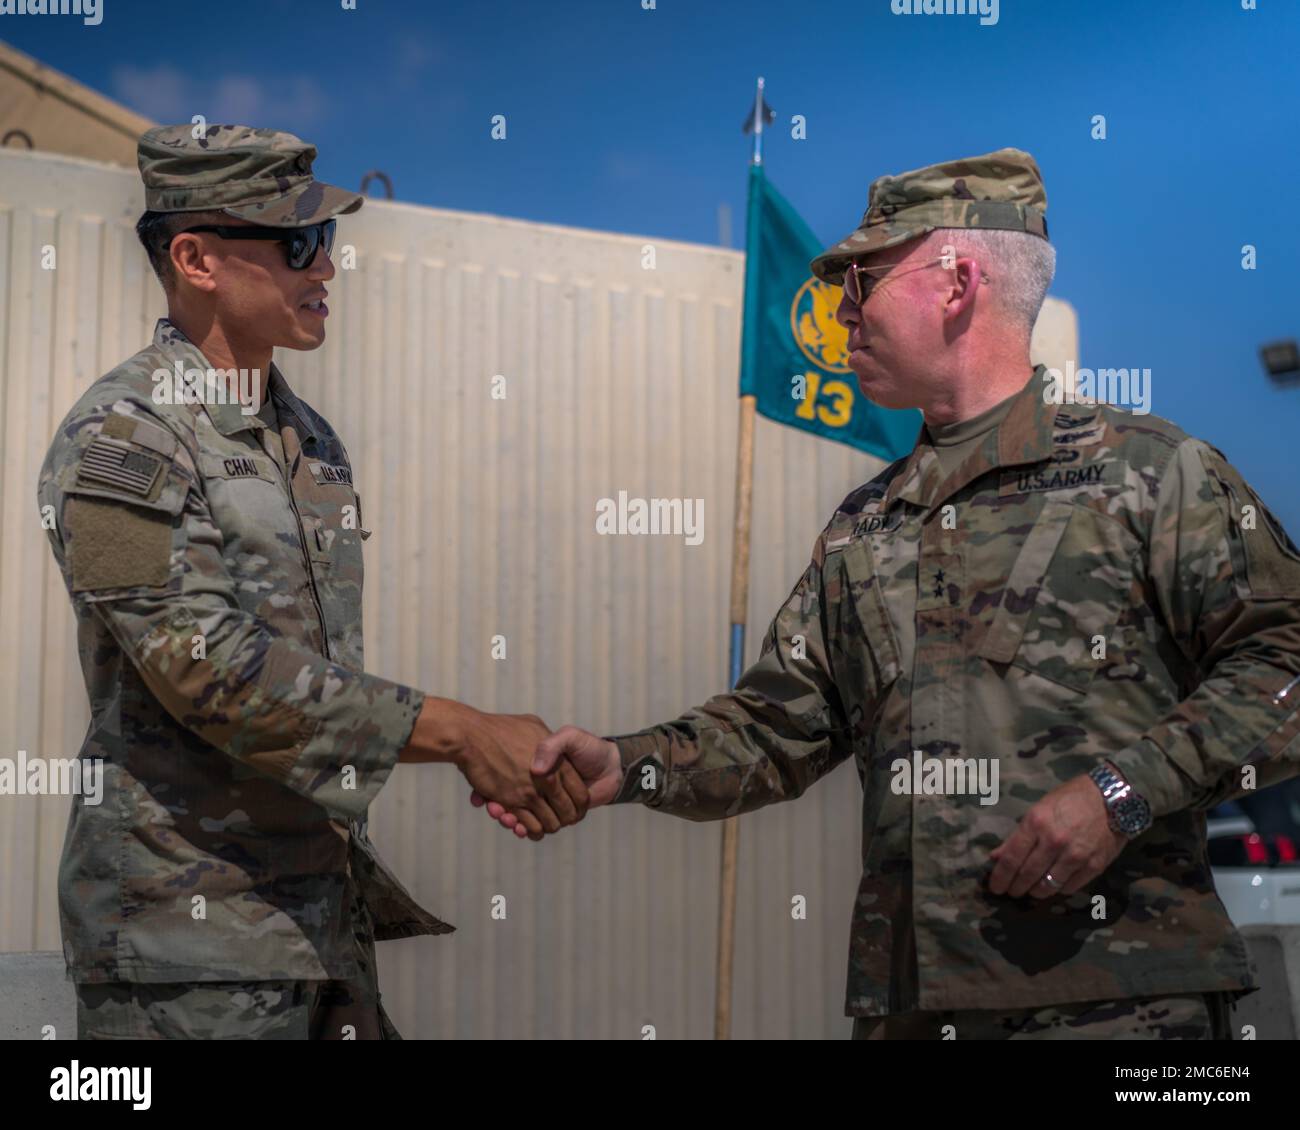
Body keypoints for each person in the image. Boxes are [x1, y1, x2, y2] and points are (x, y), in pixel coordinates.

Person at [478, 148, 1300, 1039]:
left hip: (1122, 1007)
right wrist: (625, 762)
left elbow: (1287, 663)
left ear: (956, 282)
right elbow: (775, 728)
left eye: (861, 280)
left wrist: (1120, 793)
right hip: (910, 1005)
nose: (840, 313)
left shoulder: (1149, 473)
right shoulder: (865, 524)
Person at [37, 123, 588, 1040]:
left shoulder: (310, 440)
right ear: (195, 257)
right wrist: (458, 733)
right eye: (299, 244)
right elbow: (205, 669)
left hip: (322, 930)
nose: (325, 268)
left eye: (327, 241)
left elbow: (310, 671)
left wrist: (480, 749)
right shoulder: (122, 439)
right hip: (187, 955)